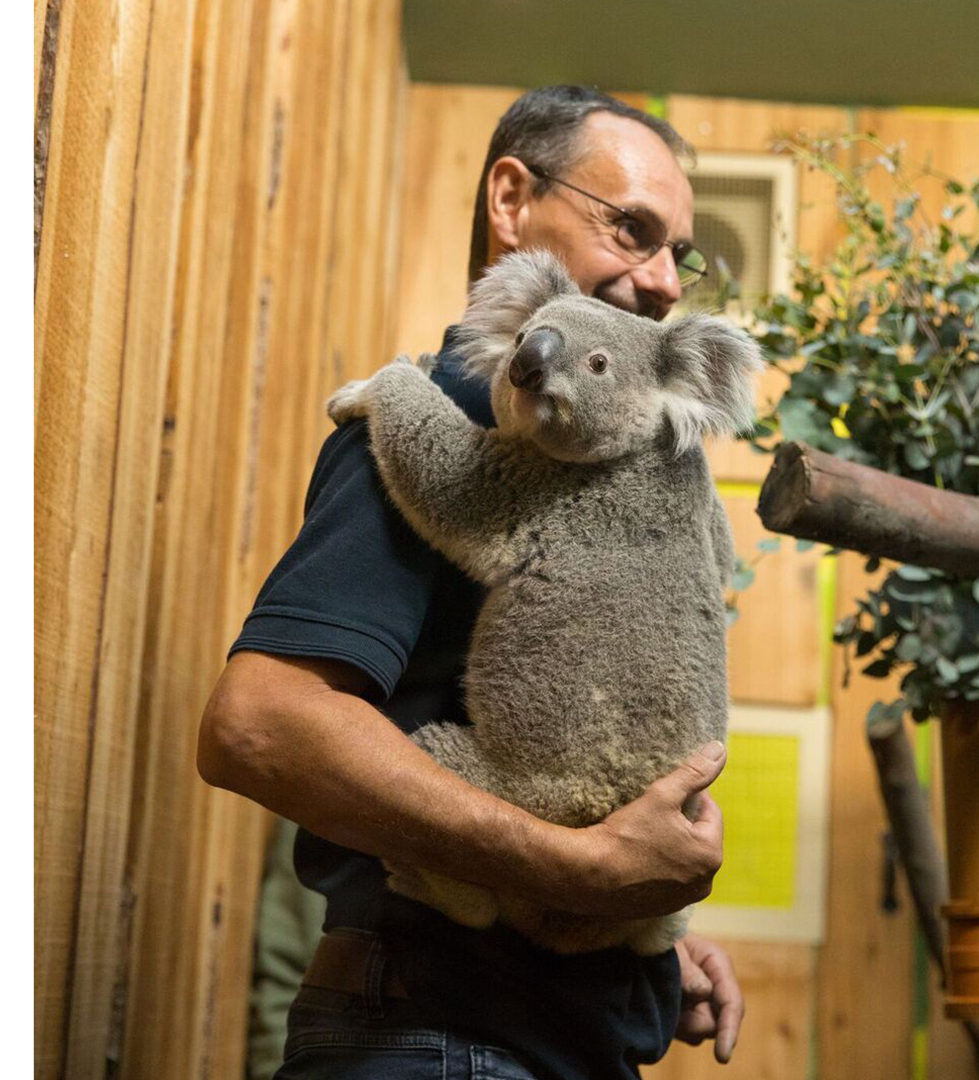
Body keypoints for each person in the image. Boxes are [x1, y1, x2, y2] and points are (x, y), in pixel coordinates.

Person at [198, 85, 745, 1080]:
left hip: (538, 1030)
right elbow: (259, 721)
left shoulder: (618, 457)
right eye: (632, 230)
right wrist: (580, 870)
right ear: (510, 200)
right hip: (443, 1037)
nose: (664, 280)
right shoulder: (458, 416)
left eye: (680, 253)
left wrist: (640, 942)